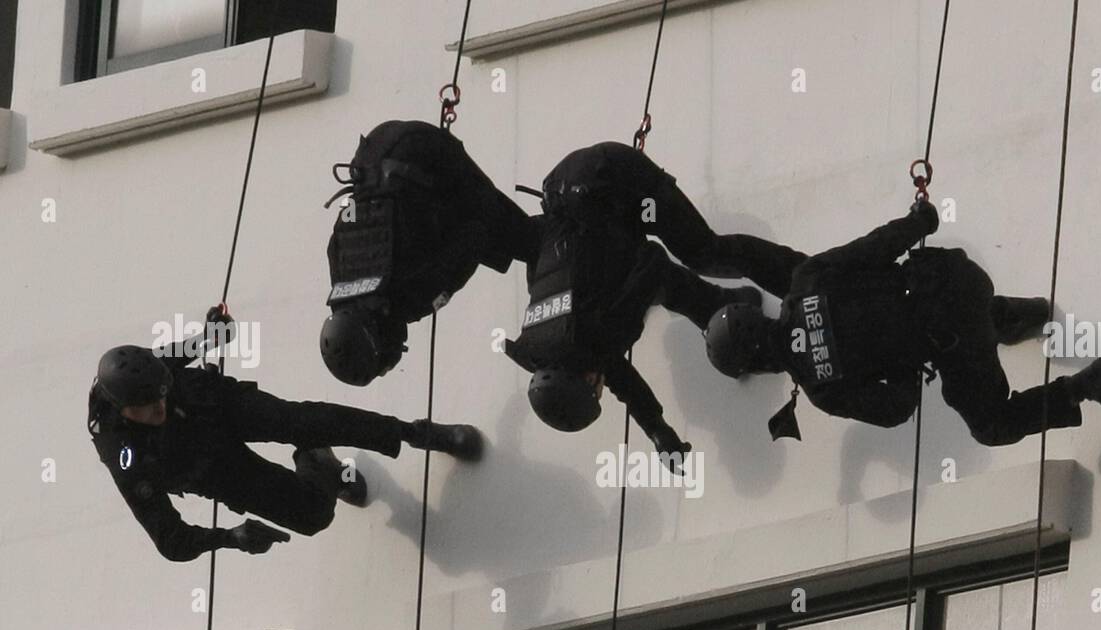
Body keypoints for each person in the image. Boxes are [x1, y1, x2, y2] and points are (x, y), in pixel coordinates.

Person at [703, 199, 1101, 444]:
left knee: (990, 423)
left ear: (757, 364)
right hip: (958, 274)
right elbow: (874, 248)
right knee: (959, 324)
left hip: (952, 334)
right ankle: (1023, 314)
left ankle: (1083, 386)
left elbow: (898, 409)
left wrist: (901, 358)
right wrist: (919, 220)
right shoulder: (804, 281)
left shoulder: (822, 389)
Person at [88, 307, 482, 562]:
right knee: (310, 517)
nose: (158, 408)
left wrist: (211, 336)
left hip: (207, 405)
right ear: (124, 411)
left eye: (160, 396)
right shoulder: (126, 458)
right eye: (149, 408)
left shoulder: (151, 372)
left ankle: (415, 433)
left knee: (300, 420)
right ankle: (319, 466)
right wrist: (230, 538)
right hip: (199, 462)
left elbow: (174, 356)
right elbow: (170, 540)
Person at [501, 141, 803, 460]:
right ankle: (717, 302)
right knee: (642, 284)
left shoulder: (596, 338)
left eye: (596, 394)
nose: (602, 391)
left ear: (587, 381)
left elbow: (654, 262)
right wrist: (657, 429)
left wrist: (706, 310)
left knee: (702, 252)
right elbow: (611, 366)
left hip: (621, 180)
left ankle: (799, 275)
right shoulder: (544, 343)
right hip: (562, 189)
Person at [320, 120, 537, 386]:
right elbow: (345, 221)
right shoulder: (341, 284)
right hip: (372, 153)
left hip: (423, 153)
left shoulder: (413, 297)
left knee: (524, 239)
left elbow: (476, 235)